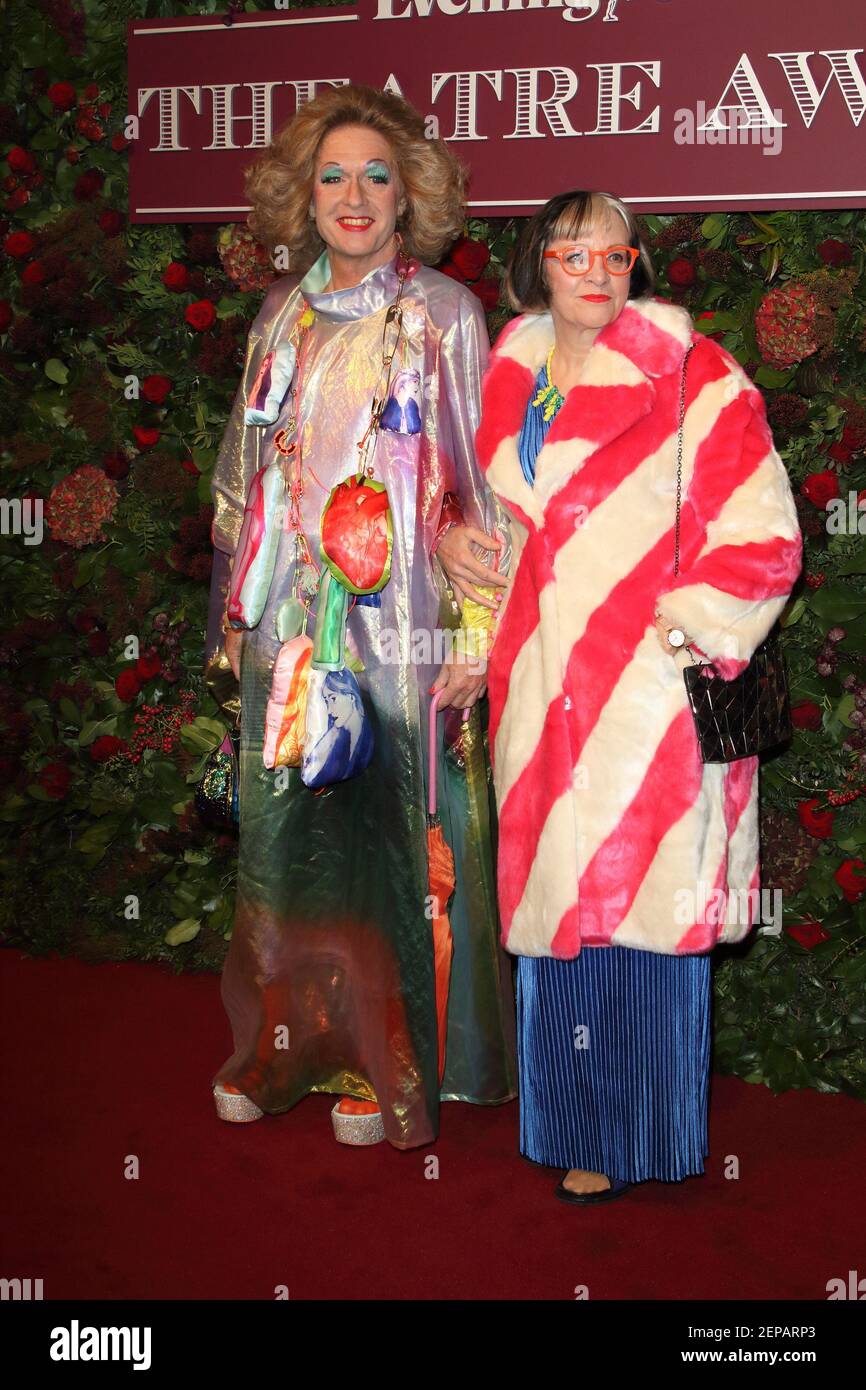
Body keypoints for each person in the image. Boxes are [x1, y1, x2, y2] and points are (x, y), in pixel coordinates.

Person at [203, 84, 515, 1149]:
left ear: (407, 197)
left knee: (396, 836)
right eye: (331, 174)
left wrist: (473, 634)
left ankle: (391, 1068)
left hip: (402, 629)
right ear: (301, 194)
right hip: (288, 629)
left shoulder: (445, 316)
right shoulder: (278, 315)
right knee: (288, 835)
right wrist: (232, 617)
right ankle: (285, 1050)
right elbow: (242, 479)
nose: (351, 194)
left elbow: (479, 493)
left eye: (374, 175)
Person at [475, 190, 803, 1201]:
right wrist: (460, 566)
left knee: (638, 920)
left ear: (633, 265)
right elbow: (498, 540)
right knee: (560, 928)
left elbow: (762, 538)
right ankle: (568, 1123)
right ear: (537, 264)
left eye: (608, 253)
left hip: (644, 710)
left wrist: (664, 639)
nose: (587, 270)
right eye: (566, 251)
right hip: (536, 699)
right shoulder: (506, 382)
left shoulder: (695, 377)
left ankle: (636, 1134)